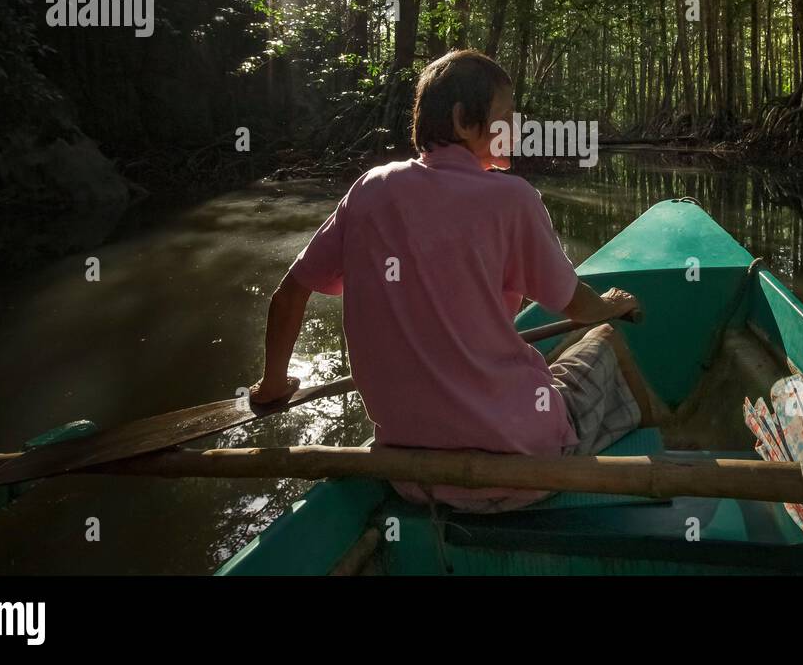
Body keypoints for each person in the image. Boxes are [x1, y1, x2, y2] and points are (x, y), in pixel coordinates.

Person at [249, 49, 665, 511]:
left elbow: (289, 295)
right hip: (523, 469)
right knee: (605, 340)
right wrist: (611, 305)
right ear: (464, 120)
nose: (517, 129)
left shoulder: (369, 189)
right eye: (506, 117)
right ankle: (673, 436)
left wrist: (272, 386)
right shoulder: (512, 199)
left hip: (411, 474)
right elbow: (578, 306)